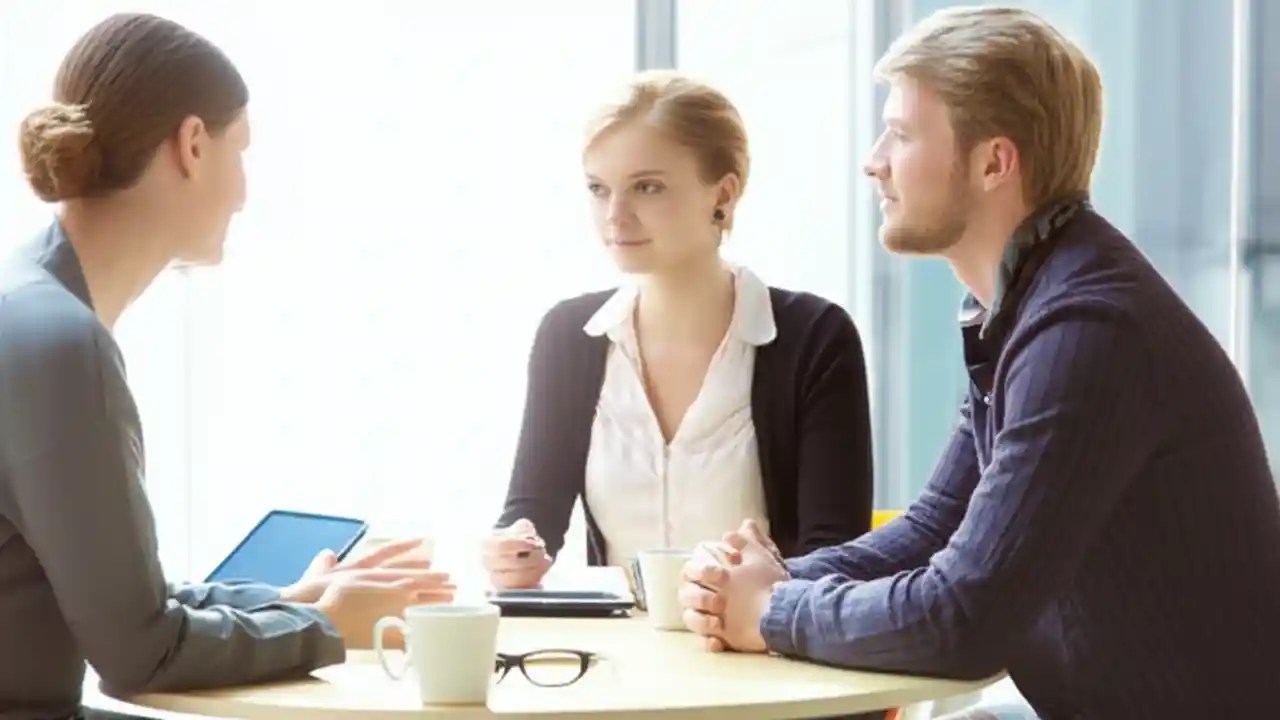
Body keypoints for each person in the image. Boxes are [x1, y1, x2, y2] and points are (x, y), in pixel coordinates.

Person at [676, 7, 1280, 719]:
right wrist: (750, 587)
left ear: (994, 161)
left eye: (901, 135)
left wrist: (774, 610)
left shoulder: (1087, 333)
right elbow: (936, 529)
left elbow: (963, 620)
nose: (874, 160)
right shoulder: (1030, 302)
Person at [0, 14, 454, 719]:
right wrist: (330, 627)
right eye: (240, 152)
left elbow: (125, 609)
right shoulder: (64, 345)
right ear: (191, 145)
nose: (243, 193)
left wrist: (291, 602)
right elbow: (137, 657)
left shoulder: (27, 307)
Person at [484, 71, 874, 590]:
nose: (615, 217)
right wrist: (513, 553)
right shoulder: (570, 337)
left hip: (765, 657)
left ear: (724, 194)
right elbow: (532, 517)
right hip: (614, 660)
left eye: (647, 187)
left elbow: (834, 556)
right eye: (599, 190)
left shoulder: (815, 338)